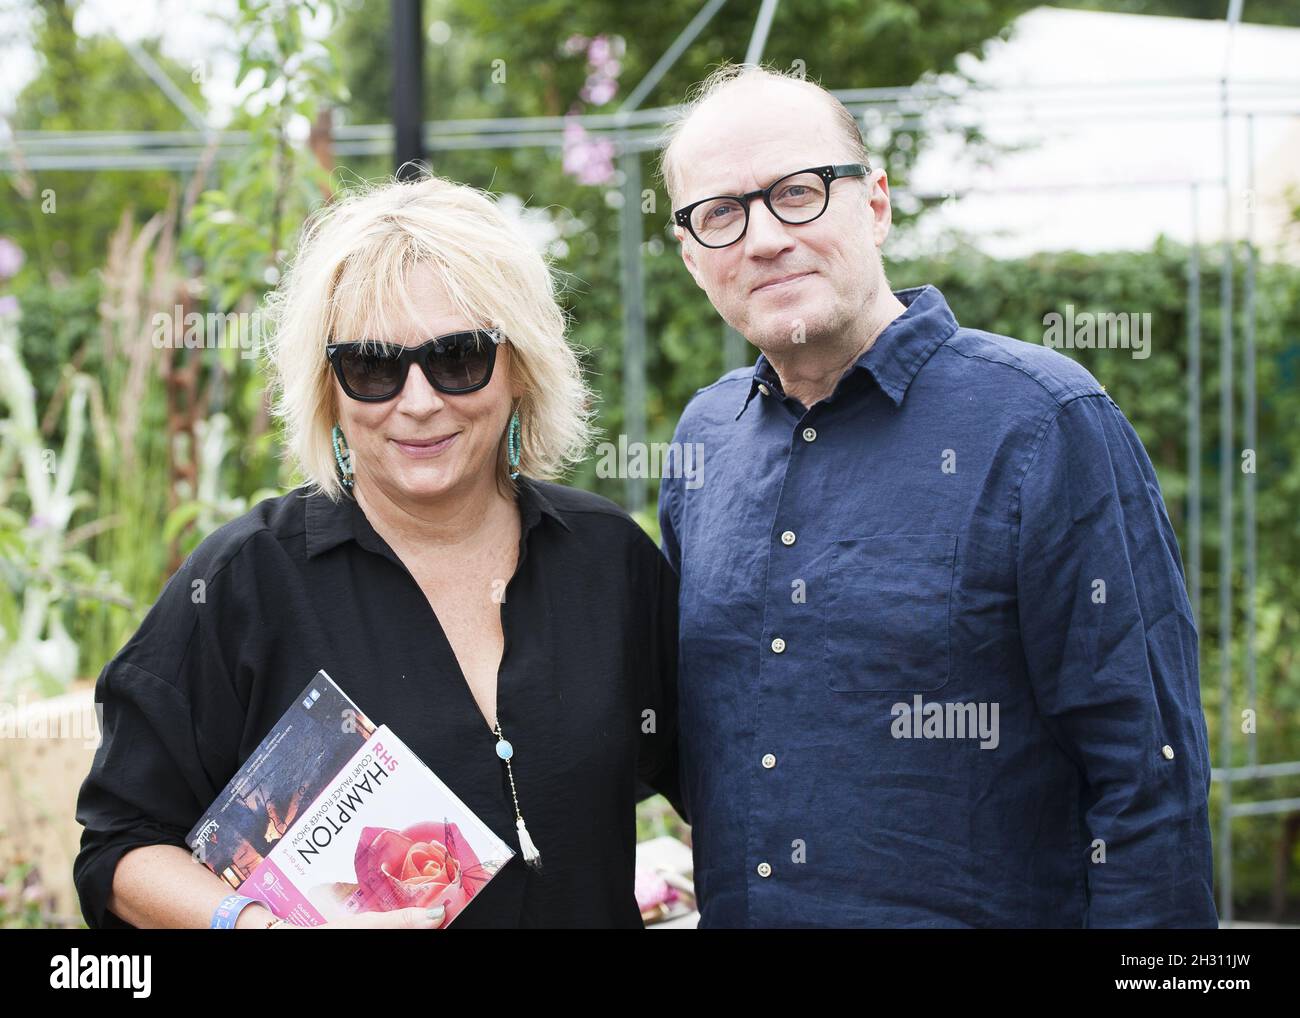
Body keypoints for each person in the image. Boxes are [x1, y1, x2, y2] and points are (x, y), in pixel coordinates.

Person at [656, 63, 1216, 928]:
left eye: (797, 192)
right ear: (694, 255)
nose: (763, 238)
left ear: (875, 203)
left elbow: (1148, 774)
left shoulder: (1043, 422)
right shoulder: (703, 443)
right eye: (721, 214)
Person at [73, 174, 681, 929]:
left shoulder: (608, 560)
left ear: (521, 366)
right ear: (326, 388)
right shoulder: (245, 583)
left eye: (458, 356)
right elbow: (121, 848)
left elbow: (719, 778)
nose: (418, 401)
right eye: (373, 367)